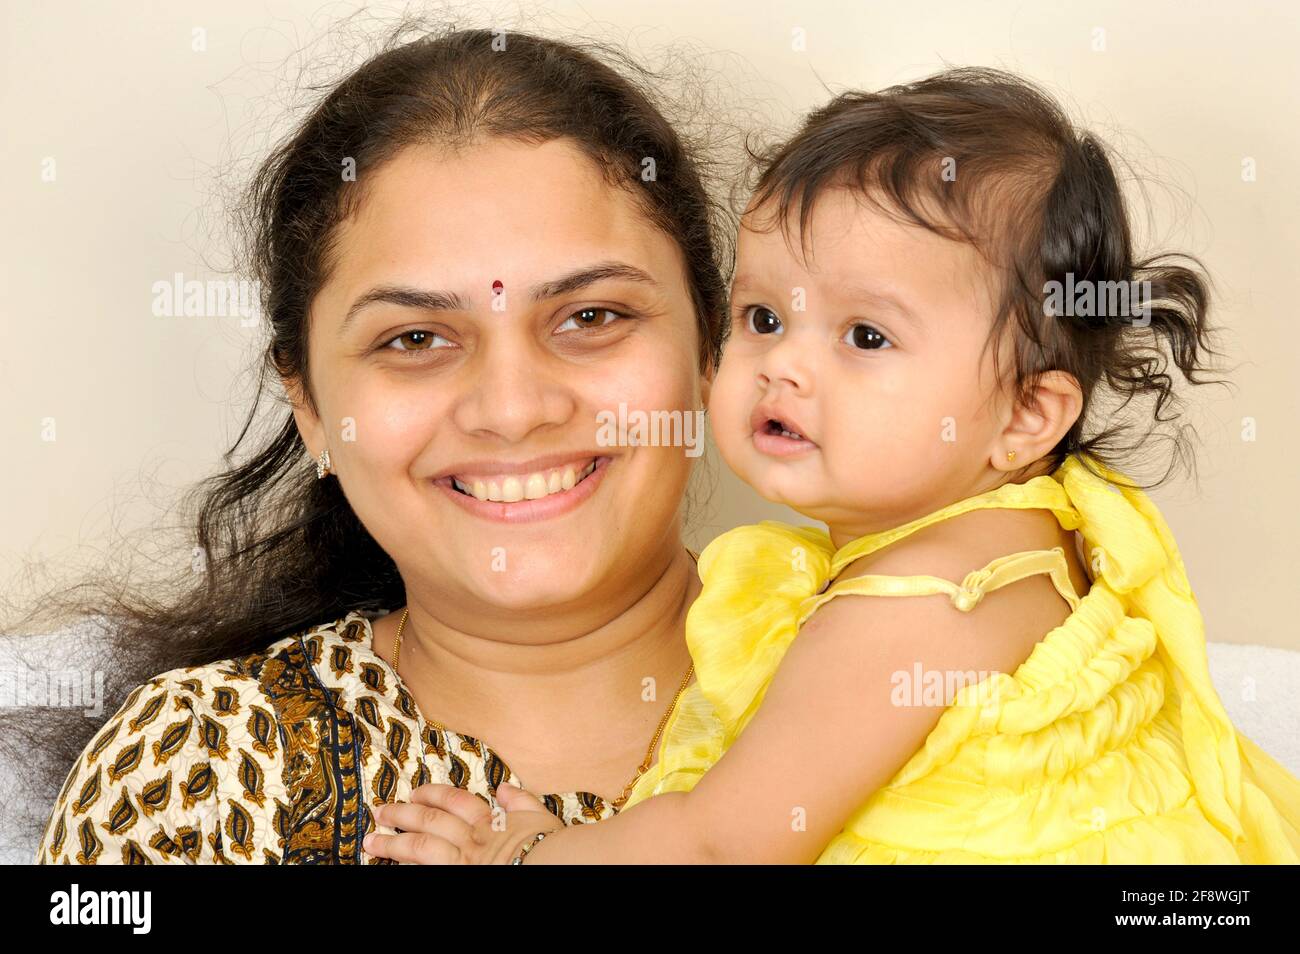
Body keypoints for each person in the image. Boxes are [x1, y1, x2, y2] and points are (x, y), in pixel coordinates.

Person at [367, 68, 1300, 864]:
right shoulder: (1042, 537)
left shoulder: (918, 601)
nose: (784, 364)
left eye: (864, 334)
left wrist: (528, 850)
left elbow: (722, 844)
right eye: (764, 317)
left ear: (1026, 415)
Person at [29, 26, 728, 864]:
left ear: (712, 352)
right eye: (415, 339)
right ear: (312, 407)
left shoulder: (903, 686)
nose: (512, 409)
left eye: (591, 317)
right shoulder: (196, 774)